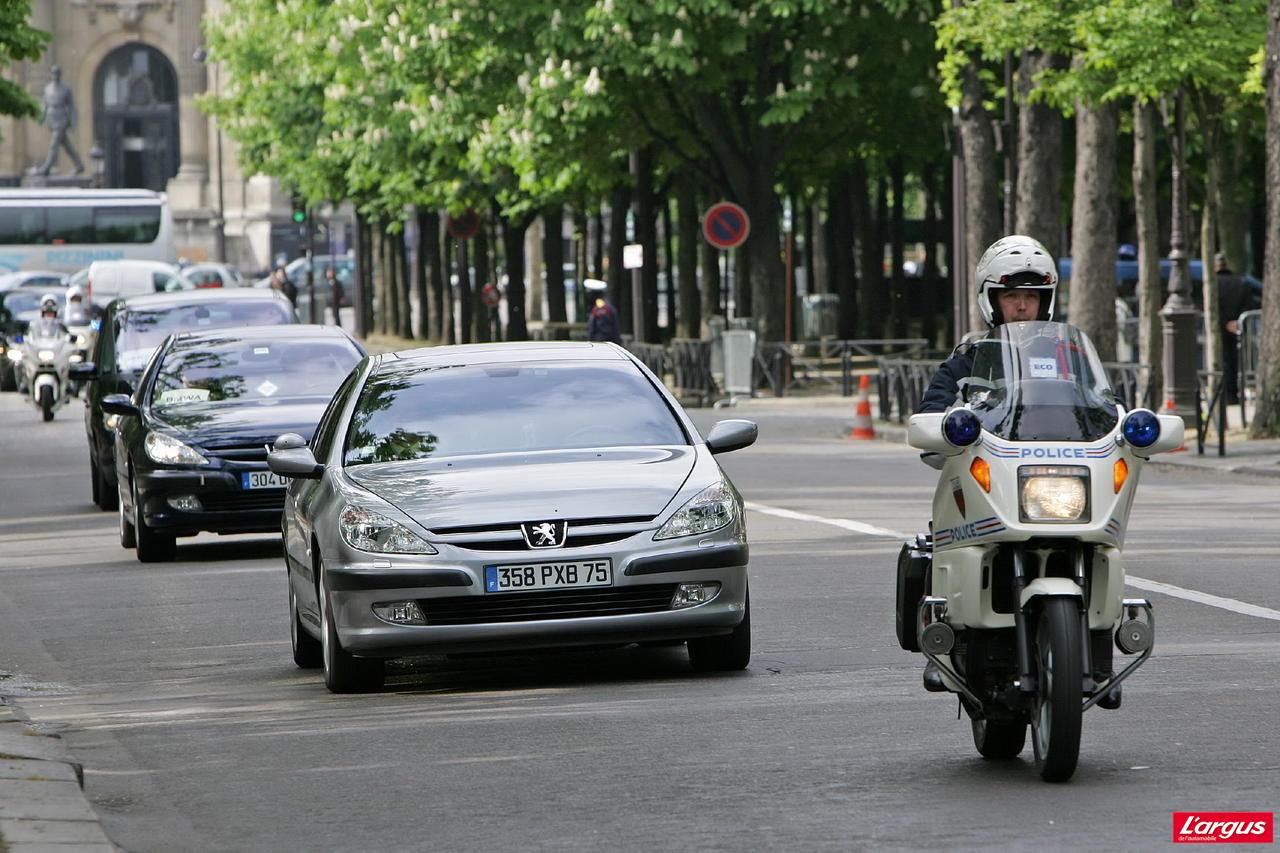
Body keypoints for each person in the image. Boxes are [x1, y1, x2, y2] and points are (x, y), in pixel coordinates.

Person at [917, 235, 1059, 414]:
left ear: (1044, 303)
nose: (1022, 306)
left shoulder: (1064, 362)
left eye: (1032, 296)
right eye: (1011, 296)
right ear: (991, 301)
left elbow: (1101, 409)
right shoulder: (963, 368)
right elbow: (931, 414)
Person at [1215, 253, 1256, 406]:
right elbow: (1249, 305)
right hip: (1238, 326)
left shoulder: (1214, 284)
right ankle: (1234, 393)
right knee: (1236, 360)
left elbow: (1214, 307)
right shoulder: (1241, 282)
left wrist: (1225, 323)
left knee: (1223, 360)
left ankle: (1226, 393)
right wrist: (1237, 322)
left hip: (1220, 328)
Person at [30, 66, 84, 177]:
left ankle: (45, 168)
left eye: (57, 73)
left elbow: (71, 106)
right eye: (53, 73)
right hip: (51, 118)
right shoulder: (47, 88)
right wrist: (42, 117)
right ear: (51, 74)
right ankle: (79, 165)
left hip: (61, 118)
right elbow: (44, 104)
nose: (55, 75)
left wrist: (73, 121)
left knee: (54, 145)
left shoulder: (66, 88)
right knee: (67, 145)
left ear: (60, 74)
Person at [584, 278, 622, 344]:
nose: (588, 296)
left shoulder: (602, 309)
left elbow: (603, 333)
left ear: (594, 294)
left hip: (602, 347)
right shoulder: (600, 306)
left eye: (589, 293)